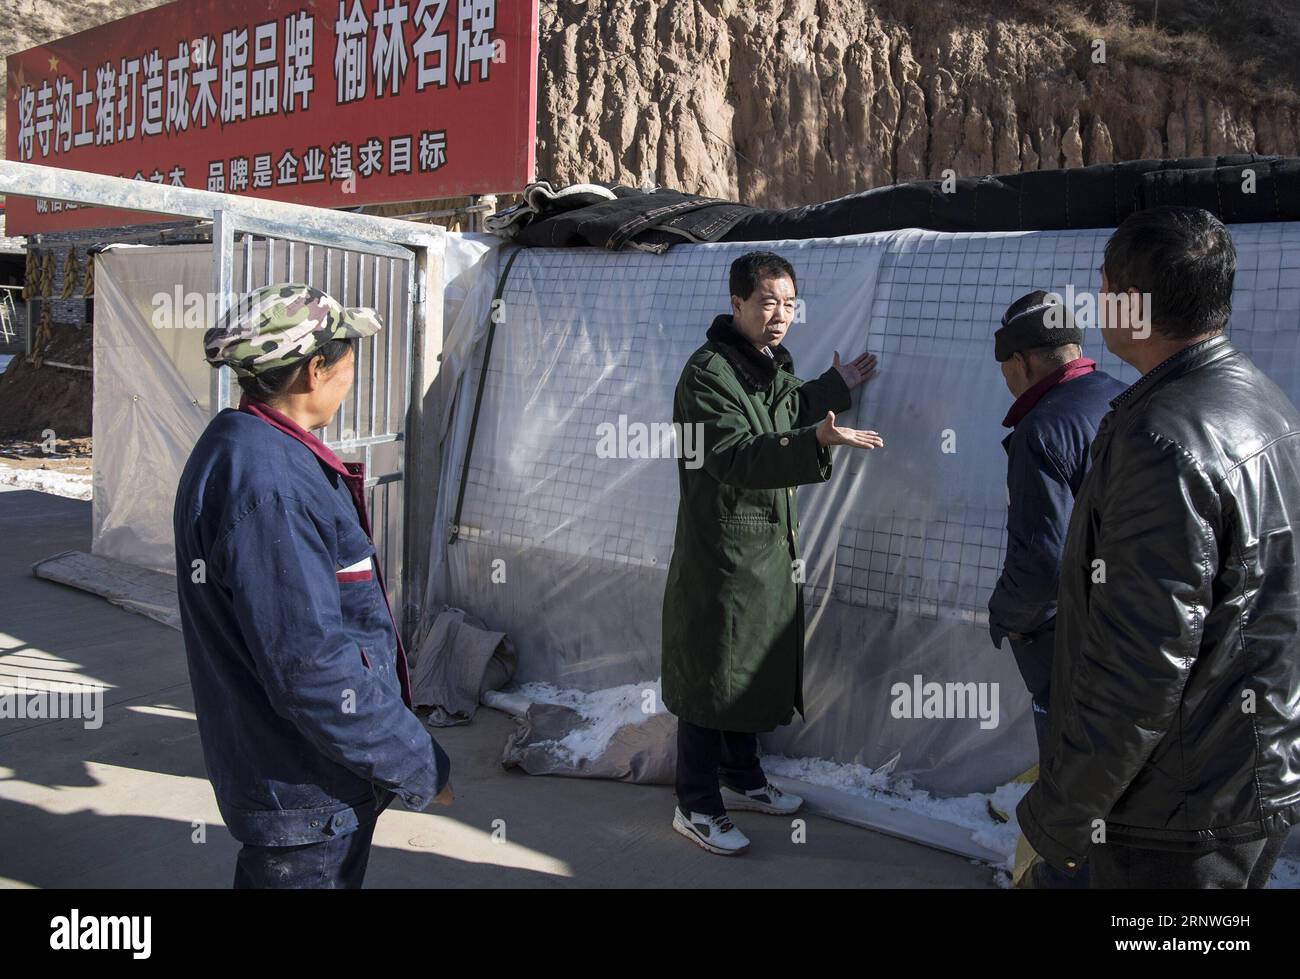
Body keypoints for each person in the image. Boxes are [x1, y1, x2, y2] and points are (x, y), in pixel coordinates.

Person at [1017, 206, 1300, 889]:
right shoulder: (1264, 401)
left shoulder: (1163, 440)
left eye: (1105, 286)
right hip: (1242, 780)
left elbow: (1139, 663)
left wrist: (1061, 816)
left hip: (1175, 814)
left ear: (1132, 304)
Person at [174, 283, 450, 888]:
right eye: (349, 356)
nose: (354, 371)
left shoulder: (246, 447)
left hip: (294, 776)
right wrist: (413, 758)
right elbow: (310, 667)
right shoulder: (271, 486)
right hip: (305, 790)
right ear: (314, 368)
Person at [662, 251, 883, 855]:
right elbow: (732, 452)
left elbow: (784, 410)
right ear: (736, 305)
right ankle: (695, 804)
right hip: (723, 553)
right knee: (713, 677)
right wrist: (814, 440)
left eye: (788, 304)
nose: (780, 315)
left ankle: (741, 776)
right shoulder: (708, 374)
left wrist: (835, 389)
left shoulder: (763, 364)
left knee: (749, 665)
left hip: (763, 551)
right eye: (767, 302)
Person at [988, 291, 1126, 757]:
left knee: (1069, 752)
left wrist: (1007, 616)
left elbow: (1043, 565)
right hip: (1136, 622)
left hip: (1070, 631)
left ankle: (1063, 827)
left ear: (1022, 361)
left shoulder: (1041, 430)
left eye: (1004, 364)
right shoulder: (1121, 396)